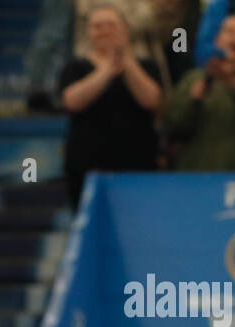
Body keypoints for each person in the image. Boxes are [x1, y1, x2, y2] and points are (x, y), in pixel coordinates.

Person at [59, 4, 163, 206]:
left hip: (137, 167)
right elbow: (72, 101)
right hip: (86, 169)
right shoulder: (75, 67)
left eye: (112, 25)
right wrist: (107, 70)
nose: (105, 31)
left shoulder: (146, 66)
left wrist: (125, 60)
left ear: (125, 30)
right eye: (98, 26)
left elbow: (152, 100)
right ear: (88, 32)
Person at [163, 14, 235, 170]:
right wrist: (194, 100)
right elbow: (172, 125)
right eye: (229, 32)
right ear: (217, 40)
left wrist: (231, 81)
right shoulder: (193, 79)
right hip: (198, 174)